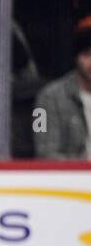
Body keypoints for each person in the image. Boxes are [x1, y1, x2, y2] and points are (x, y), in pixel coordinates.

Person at [33, 16, 91, 160]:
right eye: (87, 54)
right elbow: (44, 153)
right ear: (76, 57)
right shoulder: (47, 98)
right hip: (70, 180)